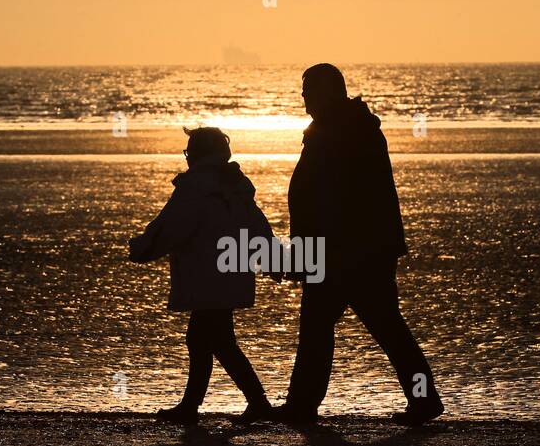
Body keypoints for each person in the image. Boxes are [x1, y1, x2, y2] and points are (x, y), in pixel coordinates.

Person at [274, 64, 443, 426]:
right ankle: (422, 399)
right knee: (373, 326)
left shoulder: (339, 130)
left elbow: (334, 198)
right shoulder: (347, 126)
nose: (303, 97)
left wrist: (307, 251)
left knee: (340, 325)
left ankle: (303, 405)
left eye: (308, 90)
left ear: (326, 91)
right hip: (354, 247)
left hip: (346, 250)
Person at [128, 127, 275, 424]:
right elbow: (258, 225)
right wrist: (272, 258)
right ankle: (204, 405)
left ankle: (218, 405)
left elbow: (170, 227)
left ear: (196, 153)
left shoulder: (194, 186)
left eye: (188, 151)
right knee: (214, 340)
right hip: (231, 271)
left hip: (207, 274)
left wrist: (142, 249)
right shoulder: (237, 184)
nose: (187, 157)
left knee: (207, 339)